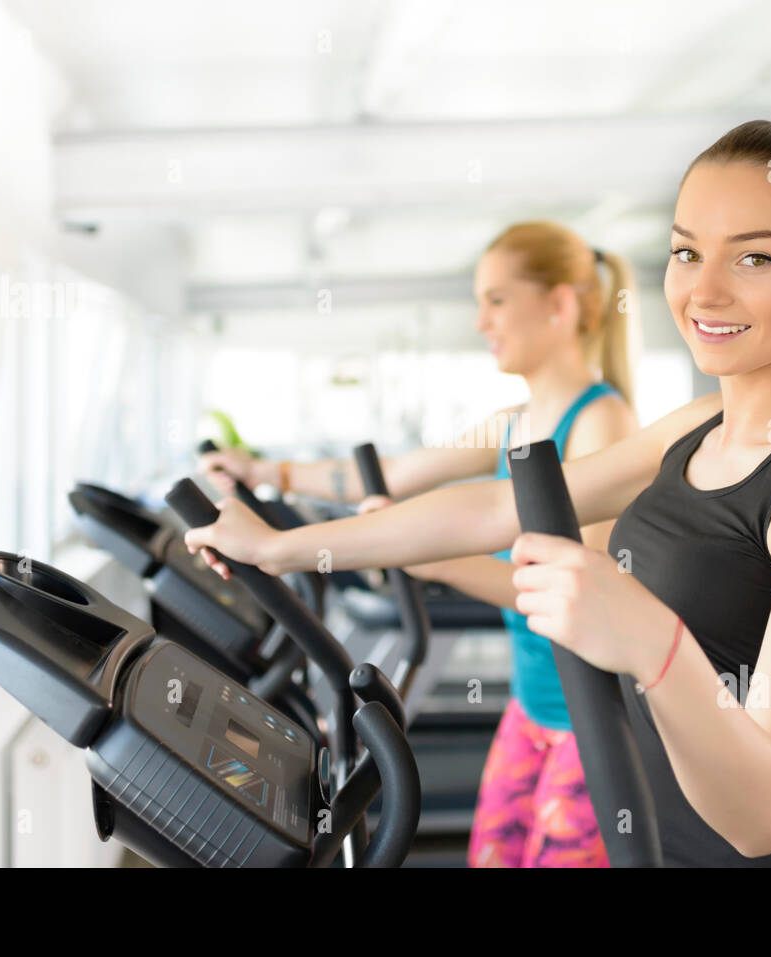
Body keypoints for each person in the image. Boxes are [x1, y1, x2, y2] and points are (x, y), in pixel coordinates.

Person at [188, 116, 771, 866]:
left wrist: (654, 646)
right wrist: (282, 547)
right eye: (686, 252)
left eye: (755, 257)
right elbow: (499, 506)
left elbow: (767, 818)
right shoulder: (701, 425)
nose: (705, 289)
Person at [198, 221, 641, 867]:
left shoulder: (600, 421)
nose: (480, 320)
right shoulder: (515, 421)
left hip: (592, 721)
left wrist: (424, 553)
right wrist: (263, 472)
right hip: (531, 707)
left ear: (560, 303)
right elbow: (389, 475)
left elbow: (575, 591)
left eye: (495, 298)